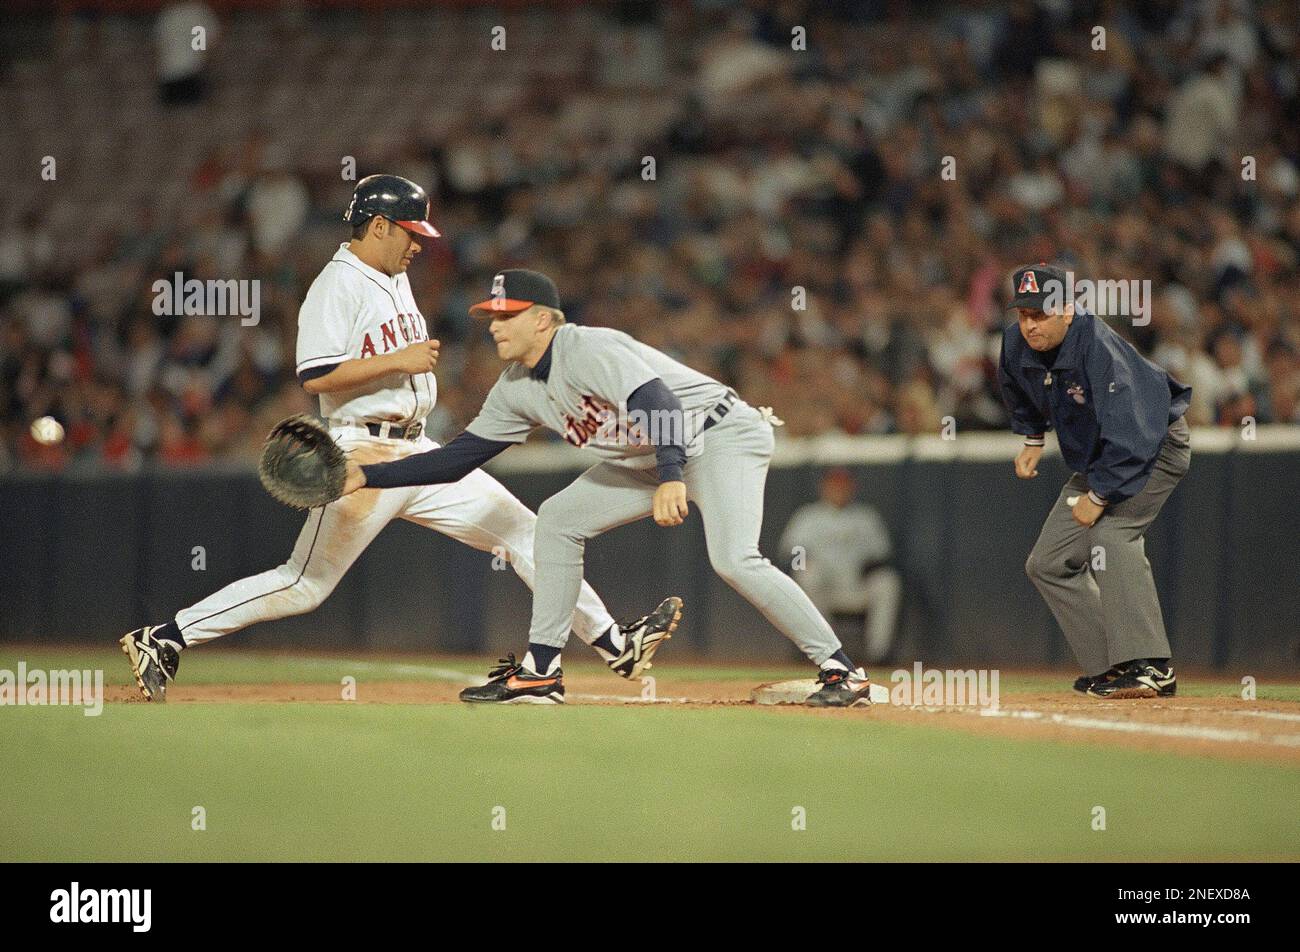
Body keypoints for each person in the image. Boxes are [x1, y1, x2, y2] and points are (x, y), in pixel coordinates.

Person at [120, 176, 677, 703]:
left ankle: (615, 645)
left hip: (416, 449)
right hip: (362, 449)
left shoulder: (394, 276)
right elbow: (314, 376)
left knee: (526, 532)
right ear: (380, 225)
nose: (419, 244)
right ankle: (166, 636)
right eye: (412, 231)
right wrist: (397, 361)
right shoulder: (335, 285)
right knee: (304, 584)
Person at [345, 269, 875, 707]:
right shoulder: (514, 391)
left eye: (508, 315)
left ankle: (841, 670)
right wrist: (365, 475)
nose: (494, 325)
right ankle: (542, 673)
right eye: (490, 316)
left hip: (716, 434)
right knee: (556, 519)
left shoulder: (586, 348)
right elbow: (456, 460)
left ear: (545, 319)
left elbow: (659, 403)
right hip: (647, 457)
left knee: (734, 558)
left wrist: (672, 476)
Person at [997, 263, 1192, 698]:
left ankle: (1151, 666)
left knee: (1112, 535)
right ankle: (1112, 666)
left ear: (1067, 310)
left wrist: (1100, 494)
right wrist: (1032, 438)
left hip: (1153, 446)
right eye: (1024, 314)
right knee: (1047, 563)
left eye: (1040, 314)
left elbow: (1133, 435)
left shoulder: (1098, 347)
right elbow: (1018, 388)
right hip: (1103, 458)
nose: (1029, 325)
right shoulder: (1016, 343)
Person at [779, 468, 901, 664]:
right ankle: (820, 650)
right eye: (834, 485)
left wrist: (868, 569)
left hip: (857, 587)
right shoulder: (808, 517)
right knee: (807, 576)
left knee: (887, 583)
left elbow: (881, 558)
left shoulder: (865, 517)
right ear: (824, 488)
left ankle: (879, 654)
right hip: (821, 589)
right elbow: (792, 555)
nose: (839, 490)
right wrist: (806, 564)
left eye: (843, 485)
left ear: (852, 488)